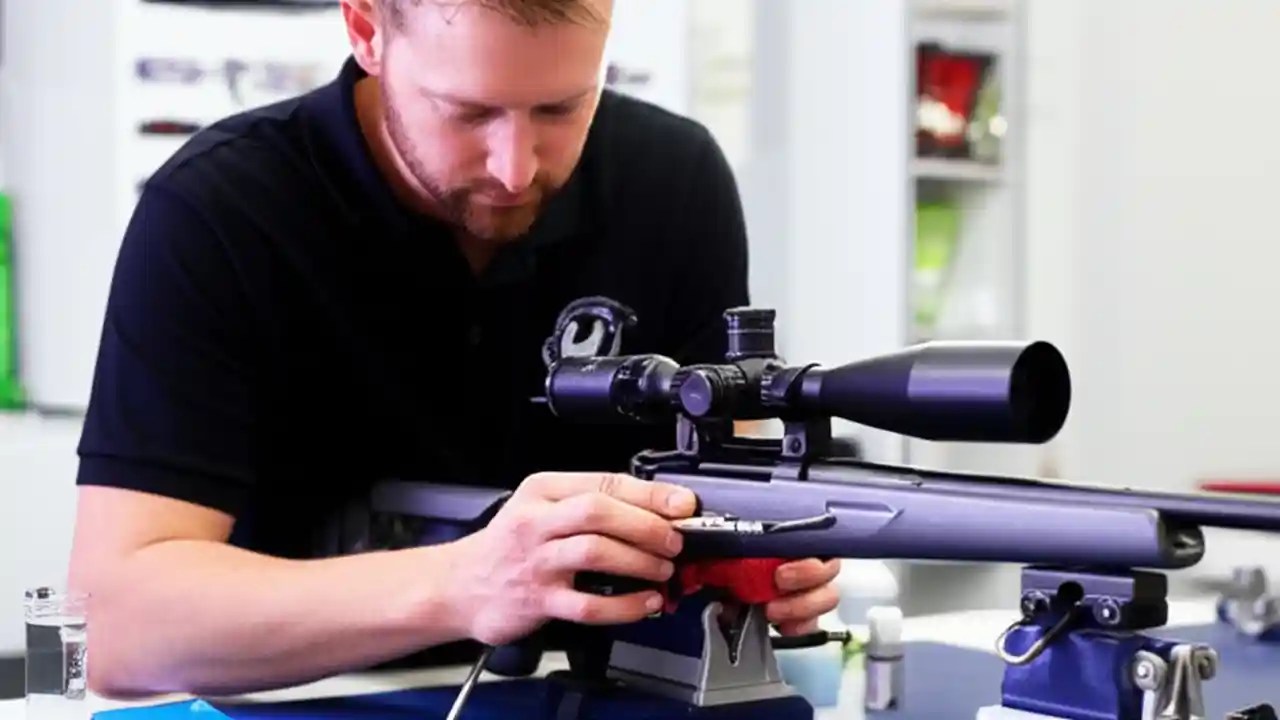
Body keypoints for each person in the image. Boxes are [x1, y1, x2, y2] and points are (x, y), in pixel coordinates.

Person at [66, 0, 841, 699]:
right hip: (291, 702)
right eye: (467, 113)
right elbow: (116, 628)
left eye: (561, 107)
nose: (517, 168)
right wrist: (462, 583)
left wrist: (758, 567)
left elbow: (729, 496)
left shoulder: (675, 181)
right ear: (367, 30)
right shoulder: (219, 209)